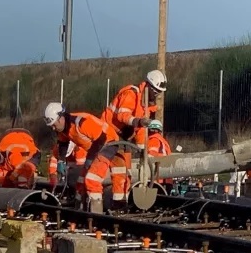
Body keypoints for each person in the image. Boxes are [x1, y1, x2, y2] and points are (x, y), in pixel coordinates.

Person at [101, 69, 167, 207]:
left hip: (124, 137)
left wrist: (143, 148)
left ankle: (122, 200)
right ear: (148, 86)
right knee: (119, 168)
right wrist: (138, 121)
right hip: (109, 131)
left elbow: (142, 129)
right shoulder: (131, 93)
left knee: (127, 171)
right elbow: (122, 116)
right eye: (155, 91)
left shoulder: (147, 106)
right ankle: (118, 202)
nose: (156, 95)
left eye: (158, 92)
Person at [44, 102, 120, 214]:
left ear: (61, 118)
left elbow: (101, 139)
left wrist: (89, 160)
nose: (54, 129)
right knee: (80, 182)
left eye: (54, 125)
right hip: (96, 149)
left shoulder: (81, 122)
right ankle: (79, 210)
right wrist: (61, 160)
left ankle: (96, 215)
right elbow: (63, 143)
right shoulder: (63, 129)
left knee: (91, 179)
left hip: (108, 144)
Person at [145, 120, 173, 188]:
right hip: (166, 179)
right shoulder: (162, 141)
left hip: (158, 179)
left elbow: (150, 158)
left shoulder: (153, 140)